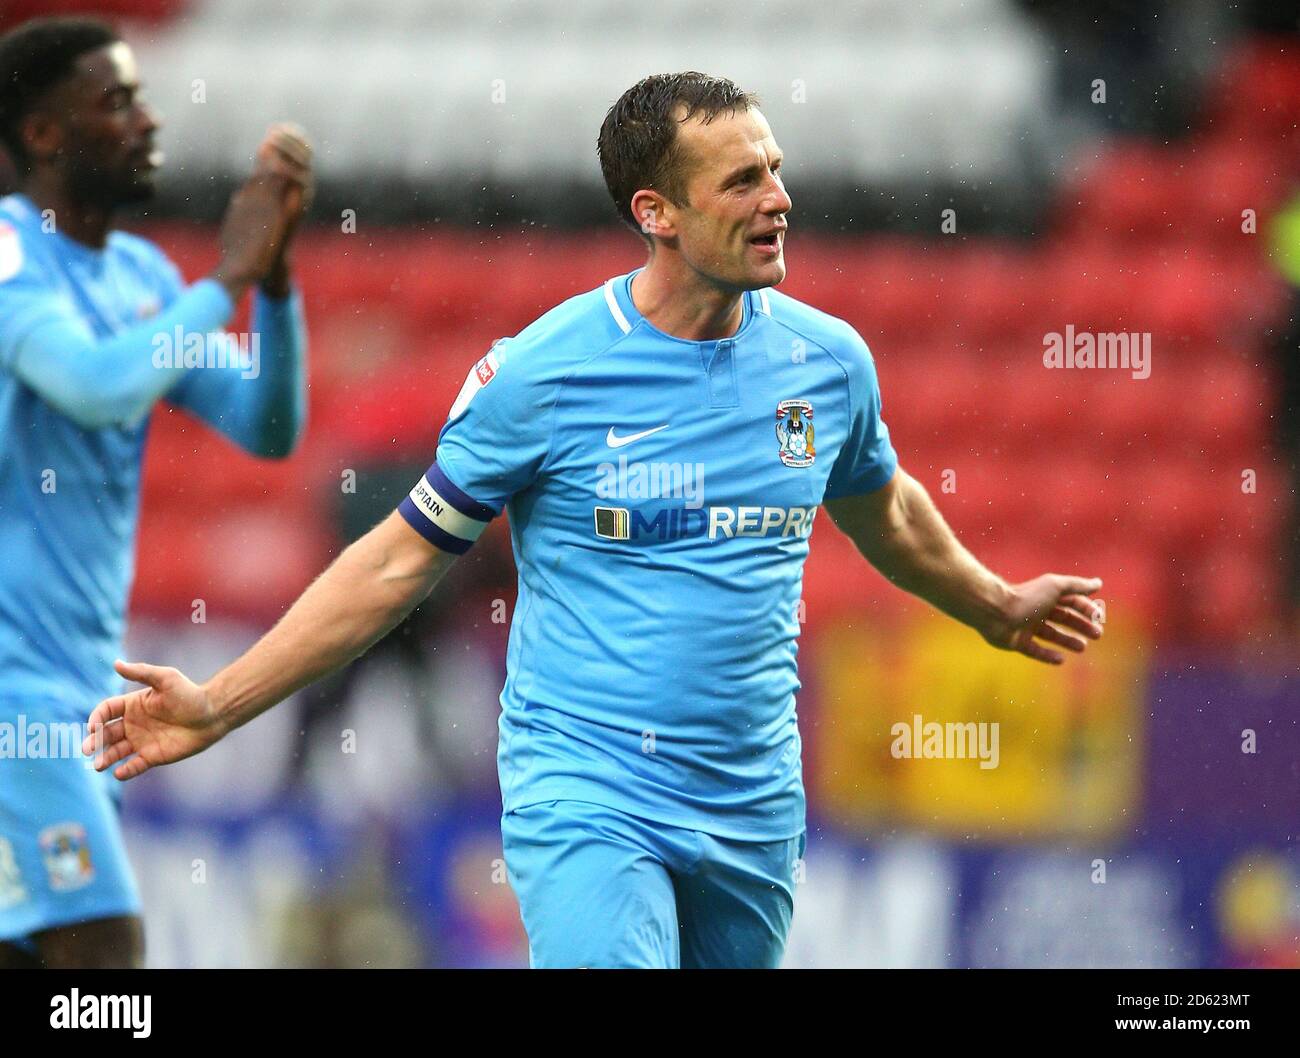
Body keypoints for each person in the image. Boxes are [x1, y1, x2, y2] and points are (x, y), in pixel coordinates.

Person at [83, 72, 1103, 969]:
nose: (777, 200)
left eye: (775, 171)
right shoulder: (546, 372)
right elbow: (395, 561)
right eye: (741, 182)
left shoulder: (827, 361)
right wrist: (219, 702)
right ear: (657, 211)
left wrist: (993, 602)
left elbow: (887, 510)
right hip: (590, 785)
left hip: (752, 798)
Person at [0, 16, 313, 968]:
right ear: (45, 134)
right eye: (118, 100)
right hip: (16, 700)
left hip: (79, 696)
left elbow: (267, 425)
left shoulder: (137, 275)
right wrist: (225, 277)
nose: (147, 120)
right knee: (104, 962)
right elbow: (94, 384)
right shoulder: (8, 256)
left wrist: (276, 282)